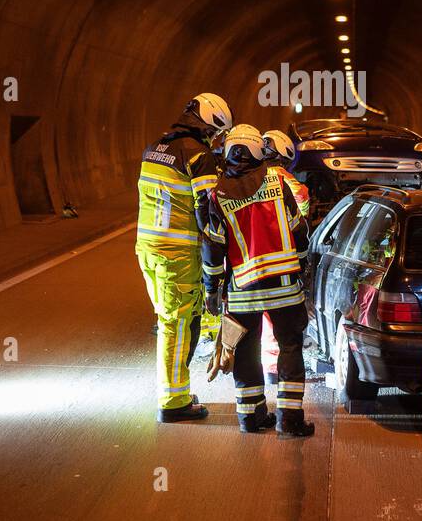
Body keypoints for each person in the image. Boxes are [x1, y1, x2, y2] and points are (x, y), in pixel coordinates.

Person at [201, 125, 315, 437]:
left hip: (242, 291)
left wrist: (212, 290)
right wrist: (302, 262)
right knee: (290, 346)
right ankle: (290, 420)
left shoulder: (218, 194)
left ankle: (250, 418)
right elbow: (298, 229)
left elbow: (213, 248)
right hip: (284, 287)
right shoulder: (278, 181)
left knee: (246, 349)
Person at [135, 93, 231, 423]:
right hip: (177, 253)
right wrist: (217, 256)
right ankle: (174, 401)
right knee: (175, 324)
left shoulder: (154, 148)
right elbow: (207, 213)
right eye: (217, 134)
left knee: (171, 319)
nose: (216, 141)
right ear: (210, 125)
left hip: (148, 248)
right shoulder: (198, 156)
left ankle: (175, 389)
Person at [258, 130, 311, 383]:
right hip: (282, 258)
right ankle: (275, 370)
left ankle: (264, 367)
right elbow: (301, 214)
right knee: (281, 319)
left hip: (249, 258)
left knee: (260, 316)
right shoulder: (285, 180)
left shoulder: (247, 175)